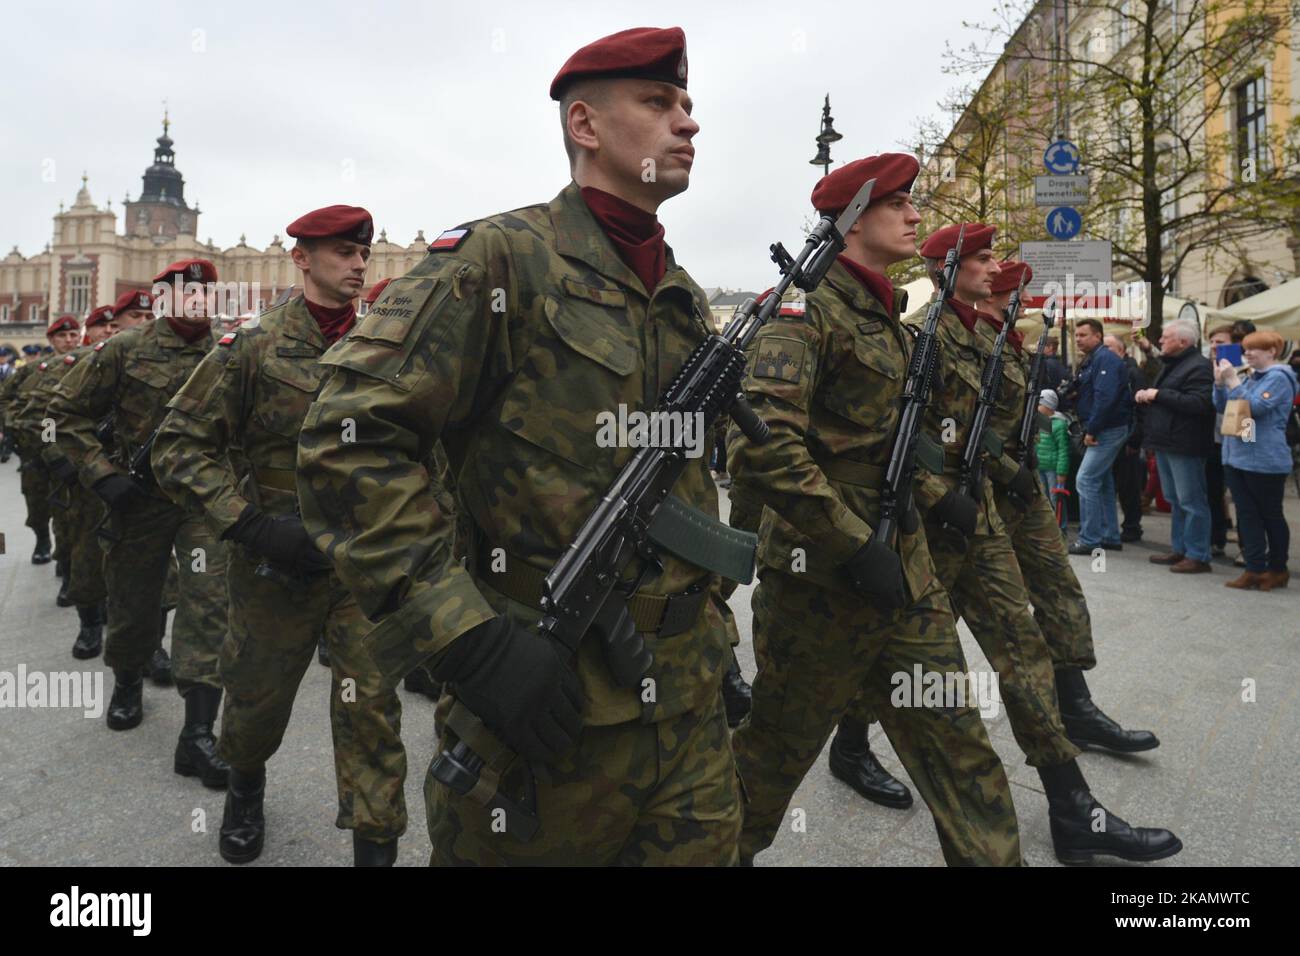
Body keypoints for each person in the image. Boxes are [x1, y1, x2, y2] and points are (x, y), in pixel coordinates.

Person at [298, 26, 746, 866]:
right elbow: (348, 434)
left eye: (687, 105)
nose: (686, 123)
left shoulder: (680, 293)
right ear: (585, 125)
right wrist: (465, 635)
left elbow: (684, 493)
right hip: (545, 695)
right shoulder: (500, 259)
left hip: (685, 705)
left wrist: (714, 638)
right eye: (658, 103)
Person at [725, 157, 1021, 862]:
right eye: (897, 204)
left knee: (961, 752)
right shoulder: (803, 312)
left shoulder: (886, 315)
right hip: (820, 583)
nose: (916, 216)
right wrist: (855, 545)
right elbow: (761, 449)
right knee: (768, 761)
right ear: (854, 220)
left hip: (907, 574)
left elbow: (884, 442)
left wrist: (933, 494)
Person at [897, 226, 1178, 862]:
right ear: (951, 268)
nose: (999, 274)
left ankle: (1073, 806)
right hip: (931, 528)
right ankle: (850, 744)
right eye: (985, 259)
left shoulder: (986, 339)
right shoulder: (925, 339)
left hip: (984, 517)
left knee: (1022, 649)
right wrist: (954, 491)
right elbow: (902, 438)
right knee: (883, 662)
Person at [154, 206, 413, 867]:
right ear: (301, 258)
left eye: (363, 252)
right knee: (255, 703)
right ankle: (245, 787)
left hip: (363, 566)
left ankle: (375, 842)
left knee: (373, 711)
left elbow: (421, 452)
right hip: (274, 563)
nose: (359, 263)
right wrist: (247, 524)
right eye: (342, 252)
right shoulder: (253, 347)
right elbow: (179, 446)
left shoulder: (389, 345)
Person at [49, 259, 231, 790]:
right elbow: (64, 412)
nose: (197, 299)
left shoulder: (228, 351)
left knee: (210, 606)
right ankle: (127, 678)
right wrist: (100, 475)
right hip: (139, 498)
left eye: (204, 291)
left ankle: (197, 731)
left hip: (203, 501)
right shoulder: (124, 350)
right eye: (185, 291)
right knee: (133, 601)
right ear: (161, 297)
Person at [1214, 329, 1297, 590]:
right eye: (1246, 349)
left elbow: (1256, 409)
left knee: (1270, 514)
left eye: (1254, 349)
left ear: (1271, 352)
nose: (1247, 353)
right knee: (1247, 515)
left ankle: (1277, 568)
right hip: (1239, 456)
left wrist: (1233, 383)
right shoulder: (1249, 378)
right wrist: (1219, 383)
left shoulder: (1279, 378)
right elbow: (1223, 407)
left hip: (1265, 458)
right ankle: (1254, 567)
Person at [1136, 318, 1216, 573]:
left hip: (1186, 444)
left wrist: (1158, 394)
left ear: (1183, 341)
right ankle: (1180, 548)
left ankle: (1198, 554)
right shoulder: (1174, 364)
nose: (1160, 341)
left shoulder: (1199, 366)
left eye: (1166, 337)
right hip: (1167, 442)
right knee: (1175, 500)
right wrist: (1150, 394)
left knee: (1191, 501)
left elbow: (1200, 403)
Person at [3, 316, 82, 564]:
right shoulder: (31, 370)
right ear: (51, 339)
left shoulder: (89, 365)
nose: (69, 341)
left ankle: (66, 558)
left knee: (68, 510)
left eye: (73, 335)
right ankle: (42, 540)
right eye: (63, 336)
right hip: (35, 450)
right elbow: (4, 398)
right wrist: (13, 423)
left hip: (72, 451)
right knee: (36, 503)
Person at [1067, 318, 1133, 555]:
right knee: (1102, 481)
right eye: (1076, 335)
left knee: (1085, 480)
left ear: (1097, 336)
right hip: (1104, 426)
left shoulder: (1105, 359)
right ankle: (1109, 535)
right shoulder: (1095, 359)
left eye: (1083, 335)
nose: (1078, 339)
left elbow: (1105, 398)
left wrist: (1092, 430)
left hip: (1106, 428)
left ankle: (1089, 539)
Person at [1105, 334, 1147, 542]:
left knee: (1128, 484)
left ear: (1122, 350)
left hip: (1127, 436)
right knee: (1116, 482)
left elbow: (1140, 409)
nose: (1105, 351)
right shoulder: (1111, 369)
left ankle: (1132, 526)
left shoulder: (1132, 372)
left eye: (1109, 347)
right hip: (1113, 434)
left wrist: (1135, 439)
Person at [1205, 326, 1237, 558]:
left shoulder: (1243, 369)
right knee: (1213, 492)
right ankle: (1217, 538)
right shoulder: (1209, 367)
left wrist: (1247, 440)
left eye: (1221, 341)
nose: (1215, 345)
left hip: (1238, 442)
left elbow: (1246, 408)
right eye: (1212, 341)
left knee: (1244, 499)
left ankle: (1249, 549)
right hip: (1214, 440)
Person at [1036, 389, 1070, 528]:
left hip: (1053, 470)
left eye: (1039, 404)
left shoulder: (1059, 425)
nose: (1037, 407)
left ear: (1048, 406)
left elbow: (1063, 451)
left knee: (1056, 499)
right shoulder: (1039, 422)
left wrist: (1061, 473)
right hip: (1040, 467)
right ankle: (1047, 527)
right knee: (1043, 499)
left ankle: (1060, 527)